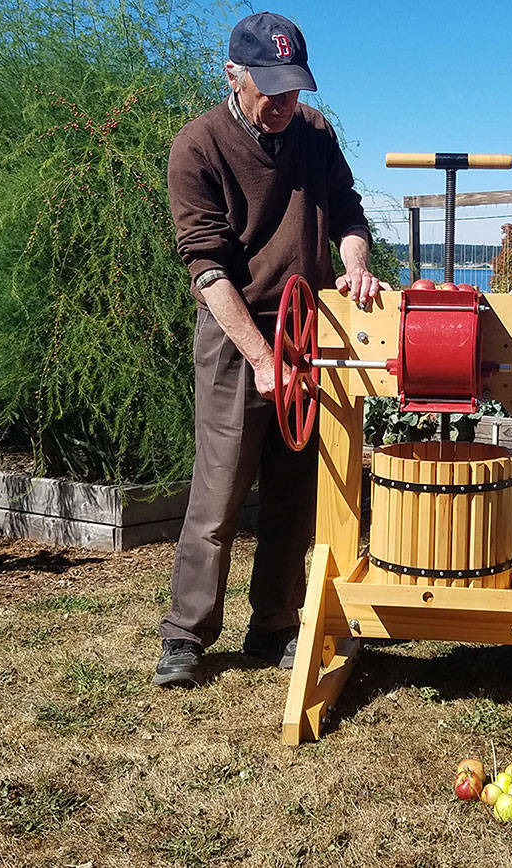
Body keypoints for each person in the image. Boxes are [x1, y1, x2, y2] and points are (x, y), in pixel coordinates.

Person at [156, 11, 382, 687]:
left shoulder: (313, 132)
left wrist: (356, 264)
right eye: (271, 88)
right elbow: (207, 270)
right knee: (219, 495)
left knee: (296, 492)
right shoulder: (197, 147)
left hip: (312, 334)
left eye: (295, 88)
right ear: (234, 75)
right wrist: (261, 358)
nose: (285, 103)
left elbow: (347, 213)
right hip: (238, 338)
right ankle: (186, 636)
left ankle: (275, 623)